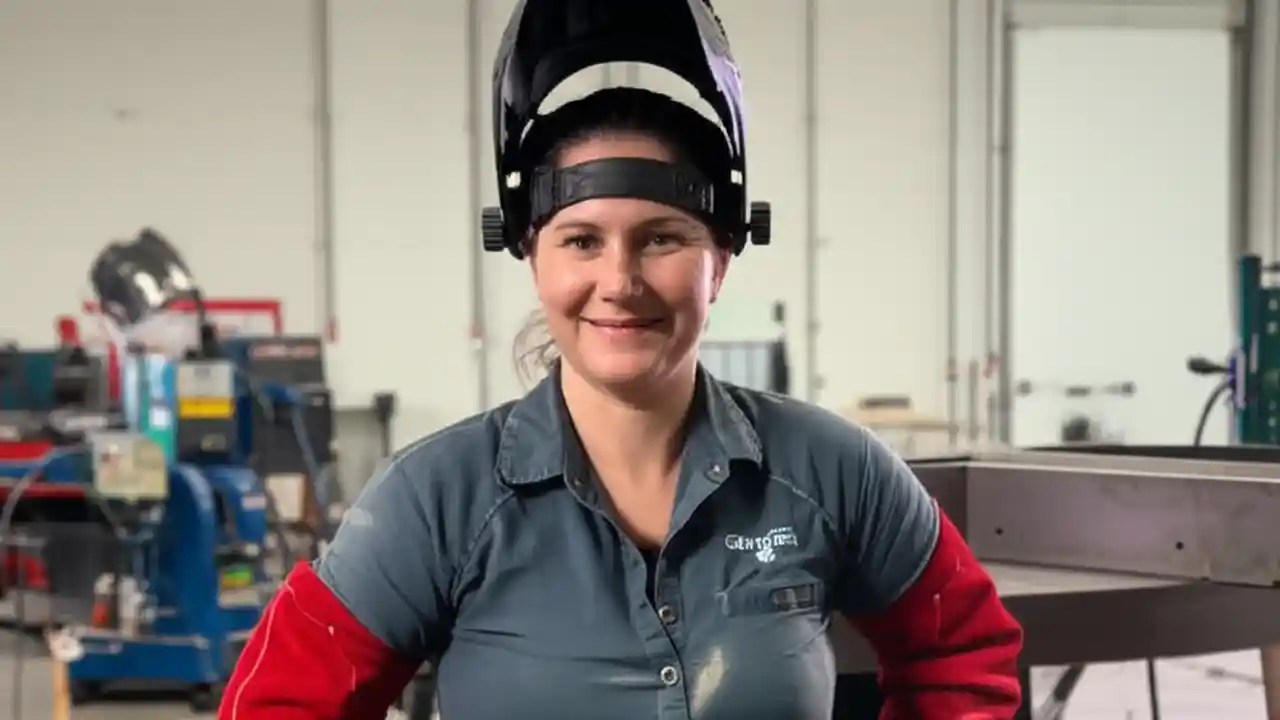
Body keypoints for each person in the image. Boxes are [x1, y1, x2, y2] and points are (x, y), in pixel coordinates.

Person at [219, 1, 1024, 718]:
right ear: (532, 257)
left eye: (662, 239)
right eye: (581, 241)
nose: (619, 282)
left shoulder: (829, 471)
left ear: (722, 258)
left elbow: (961, 653)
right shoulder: (435, 503)